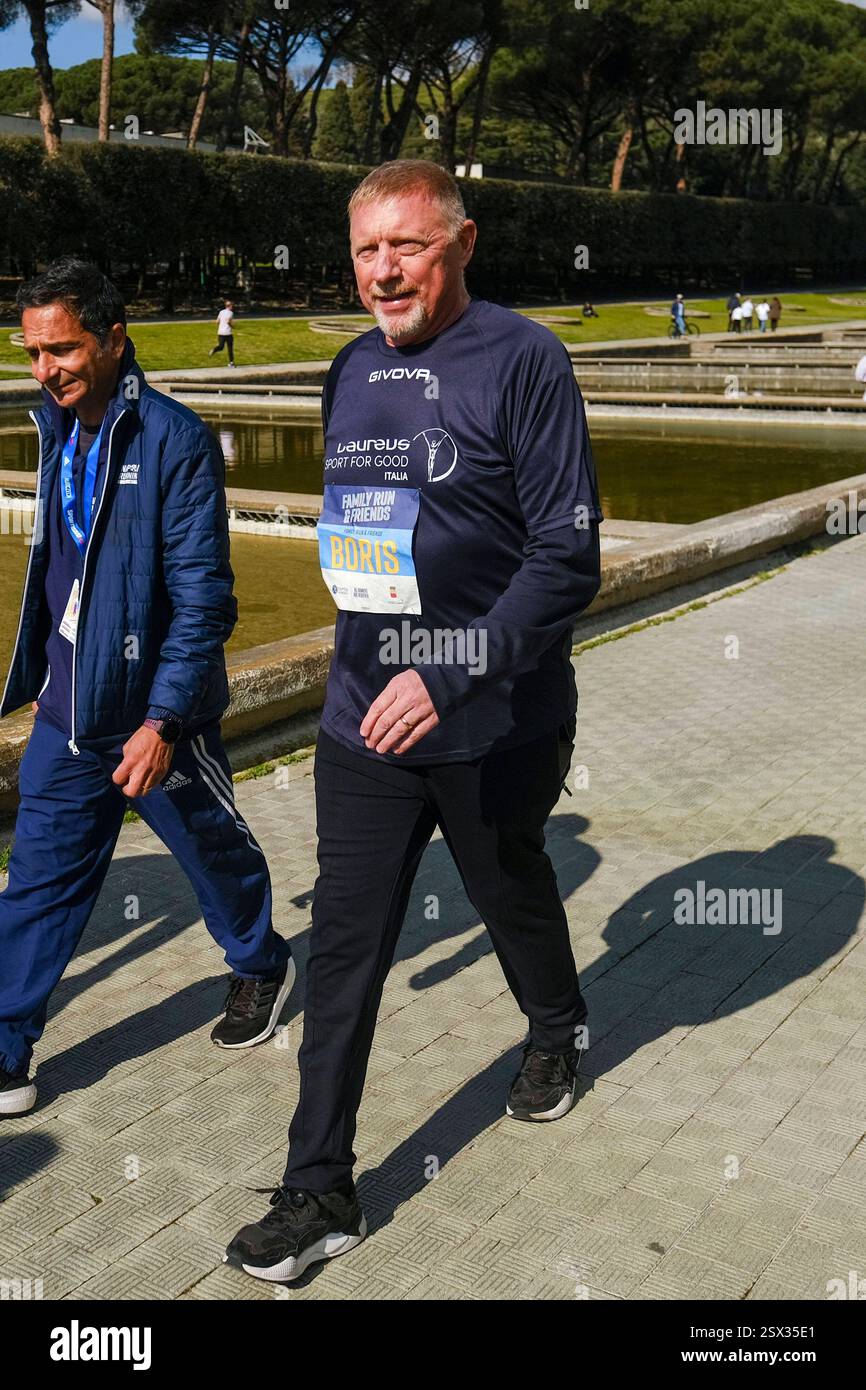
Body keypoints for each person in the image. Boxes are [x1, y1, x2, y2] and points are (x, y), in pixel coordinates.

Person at [225, 160, 603, 1284]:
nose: (381, 271)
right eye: (364, 251)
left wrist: (445, 668)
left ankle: (554, 1024)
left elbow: (564, 556)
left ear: (461, 243)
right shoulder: (346, 369)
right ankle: (317, 1189)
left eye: (407, 246)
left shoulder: (524, 358)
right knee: (344, 950)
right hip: (362, 724)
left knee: (509, 889)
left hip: (494, 718)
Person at [0, 259, 294, 1119]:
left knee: (211, 853)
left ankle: (259, 963)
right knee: (38, 881)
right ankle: (7, 1046)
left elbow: (205, 598)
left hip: (152, 714)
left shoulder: (174, 438)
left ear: (115, 338)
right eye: (33, 352)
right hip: (69, 706)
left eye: (63, 349)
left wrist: (165, 719)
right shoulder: (58, 429)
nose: (46, 369)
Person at [209, 299, 236, 365]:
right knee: (230, 348)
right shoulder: (231, 313)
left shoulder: (221, 312)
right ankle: (231, 363)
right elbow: (228, 321)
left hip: (220, 333)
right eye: (232, 305)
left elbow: (217, 322)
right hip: (228, 333)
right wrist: (233, 326)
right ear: (229, 306)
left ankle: (214, 350)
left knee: (221, 347)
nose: (233, 307)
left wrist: (221, 327)